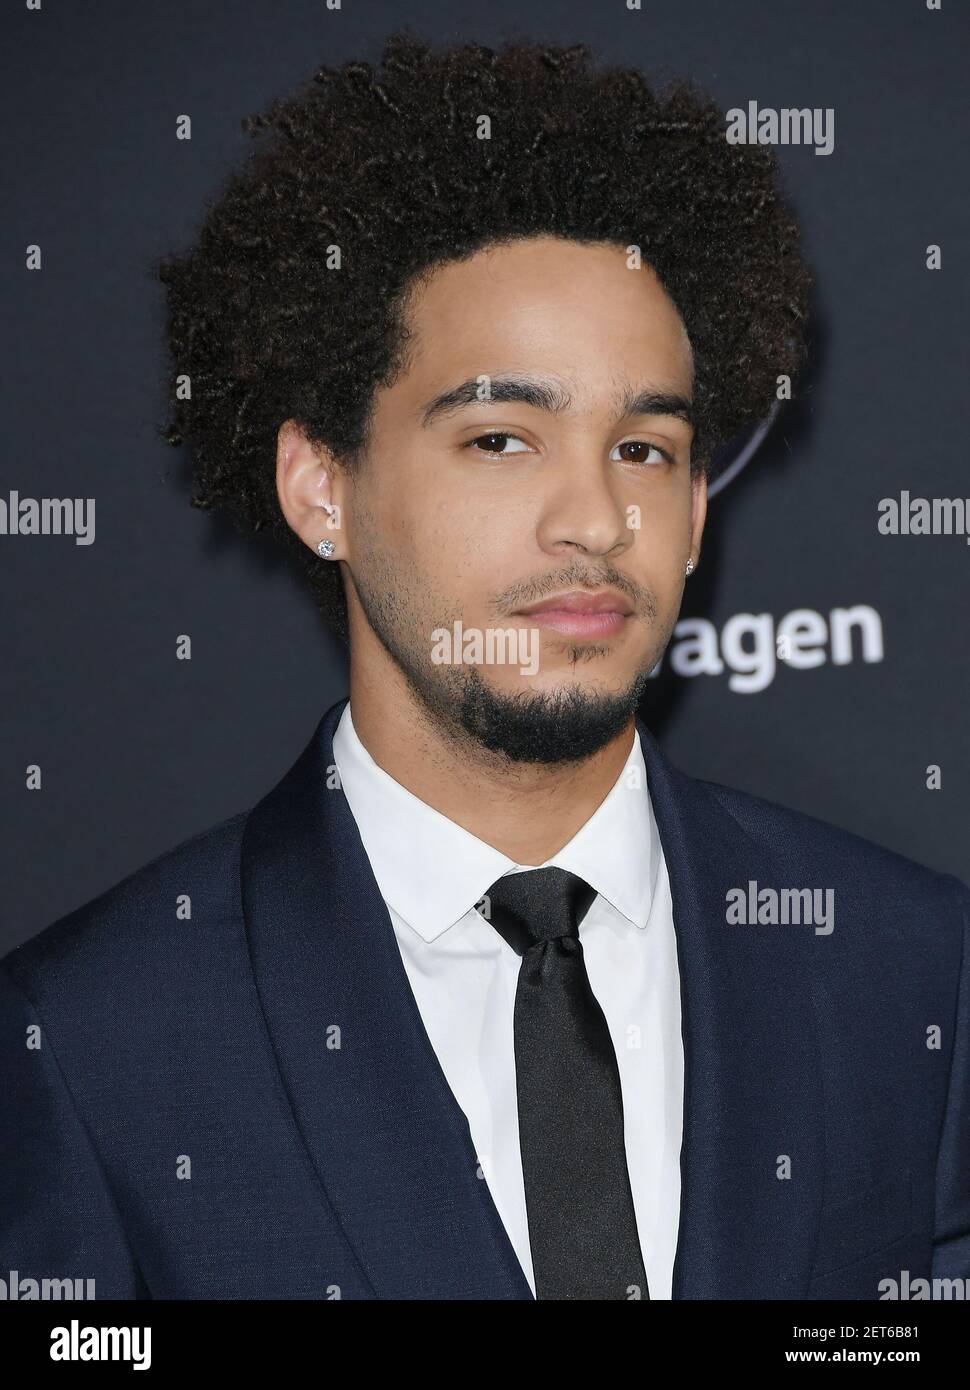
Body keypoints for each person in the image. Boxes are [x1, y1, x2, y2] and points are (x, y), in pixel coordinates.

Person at [1, 31, 967, 1302]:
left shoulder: (909, 966)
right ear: (319, 486)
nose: (593, 520)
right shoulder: (89, 1040)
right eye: (503, 439)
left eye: (644, 449)